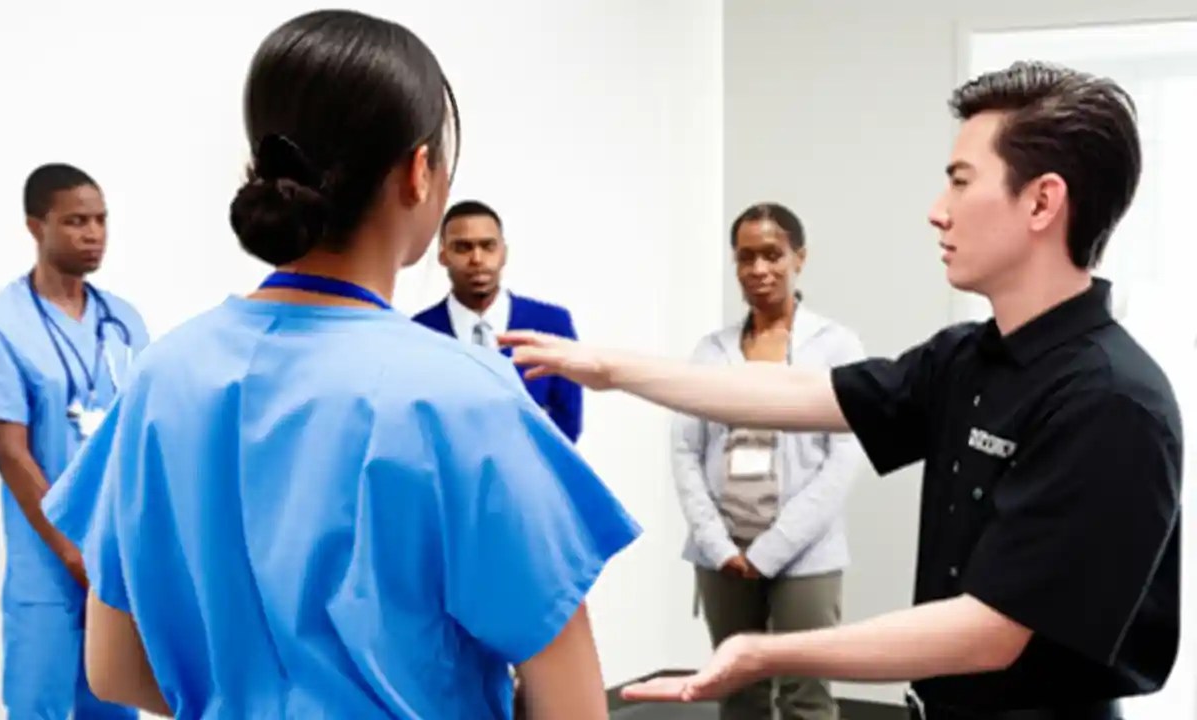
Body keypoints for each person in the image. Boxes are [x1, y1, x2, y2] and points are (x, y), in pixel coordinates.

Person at [502, 61, 1181, 720]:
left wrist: (764, 653)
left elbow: (989, 633)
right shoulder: (967, 357)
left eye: (960, 182)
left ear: (1041, 201)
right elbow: (796, 397)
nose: (937, 213)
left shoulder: (1111, 402)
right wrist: (607, 368)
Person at [39, 10, 640, 720]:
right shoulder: (463, 397)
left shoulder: (163, 376)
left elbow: (113, 669)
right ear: (420, 173)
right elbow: (571, 707)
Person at [0, 163, 148, 719]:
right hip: (47, 568)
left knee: (114, 703)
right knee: (40, 707)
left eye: (102, 220)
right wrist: (70, 549)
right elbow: (11, 454)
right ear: (36, 227)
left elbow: (138, 443)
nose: (94, 234)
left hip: (113, 563)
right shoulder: (0, 326)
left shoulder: (124, 324)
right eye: (76, 221)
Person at [677, 202, 865, 720]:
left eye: (772, 255)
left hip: (806, 553)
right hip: (724, 553)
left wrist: (774, 548)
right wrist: (718, 544)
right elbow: (686, 451)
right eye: (746, 257)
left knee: (807, 693)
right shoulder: (711, 351)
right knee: (738, 689)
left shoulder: (836, 345)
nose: (759, 270)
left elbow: (844, 458)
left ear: (799, 258)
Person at [414, 200, 583, 442]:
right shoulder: (419, 332)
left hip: (532, 476)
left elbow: (568, 422)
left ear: (503, 253)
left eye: (488, 246)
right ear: (443, 255)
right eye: (462, 247)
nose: (477, 258)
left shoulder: (550, 323)